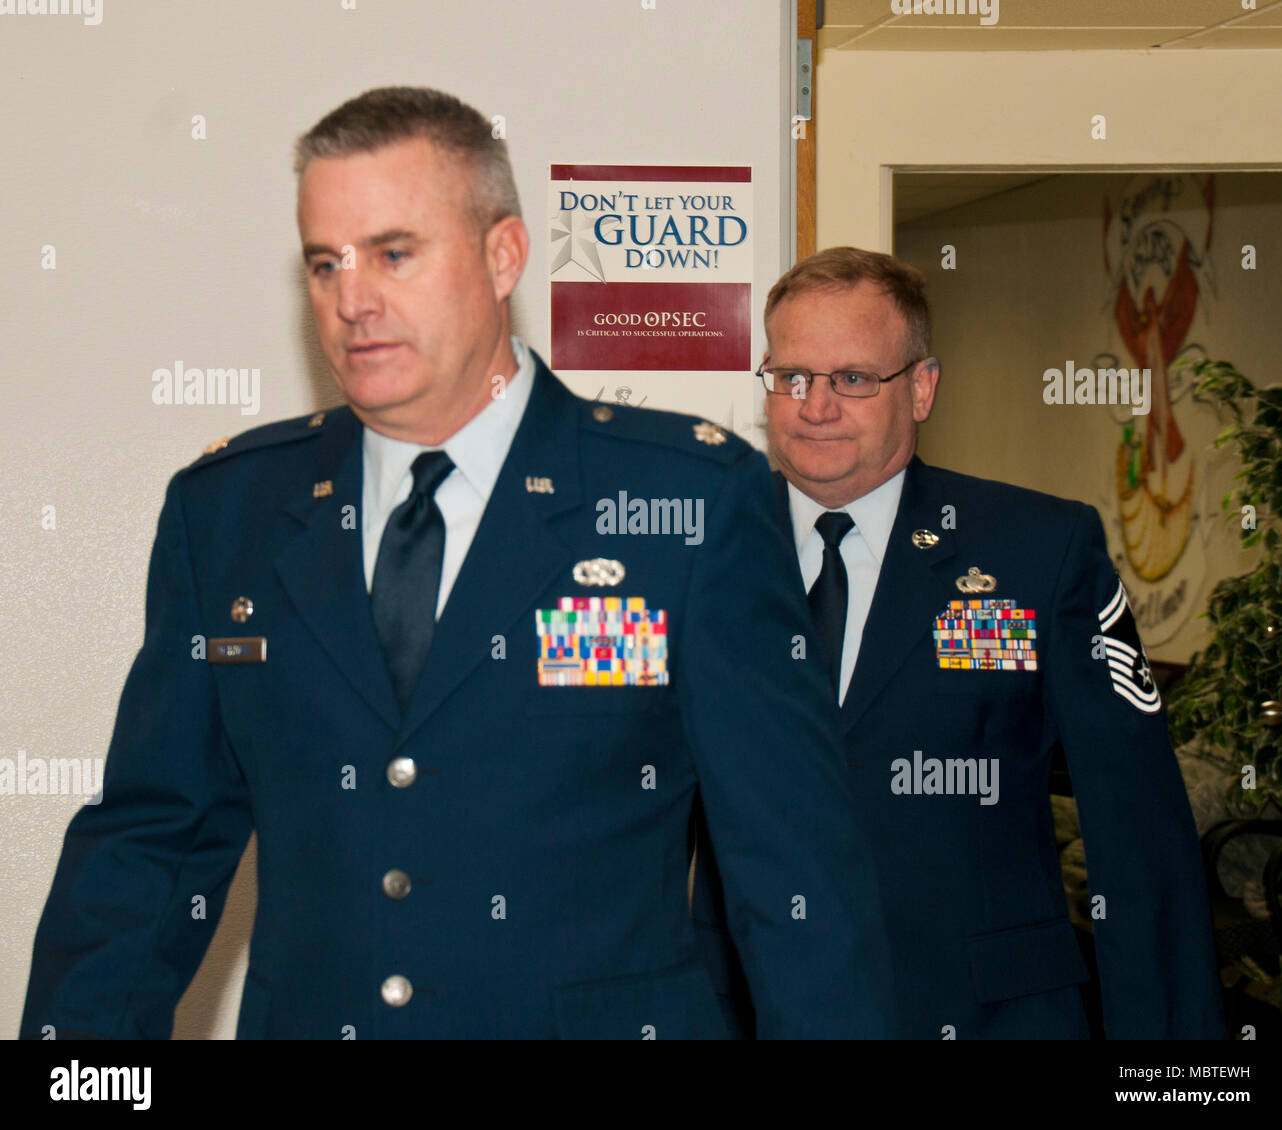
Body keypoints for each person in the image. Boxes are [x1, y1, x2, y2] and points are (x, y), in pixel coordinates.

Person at [19, 90, 895, 1040]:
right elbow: (152, 847)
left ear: (503, 254)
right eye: (326, 262)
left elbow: (795, 873)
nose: (353, 297)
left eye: (394, 253)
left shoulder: (689, 502)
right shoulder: (232, 513)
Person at [695, 246, 1224, 1039]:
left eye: (853, 379)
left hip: (985, 1013)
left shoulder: (1038, 550)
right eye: (792, 376)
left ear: (921, 387)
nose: (815, 405)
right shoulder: (698, 555)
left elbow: (1138, 827)